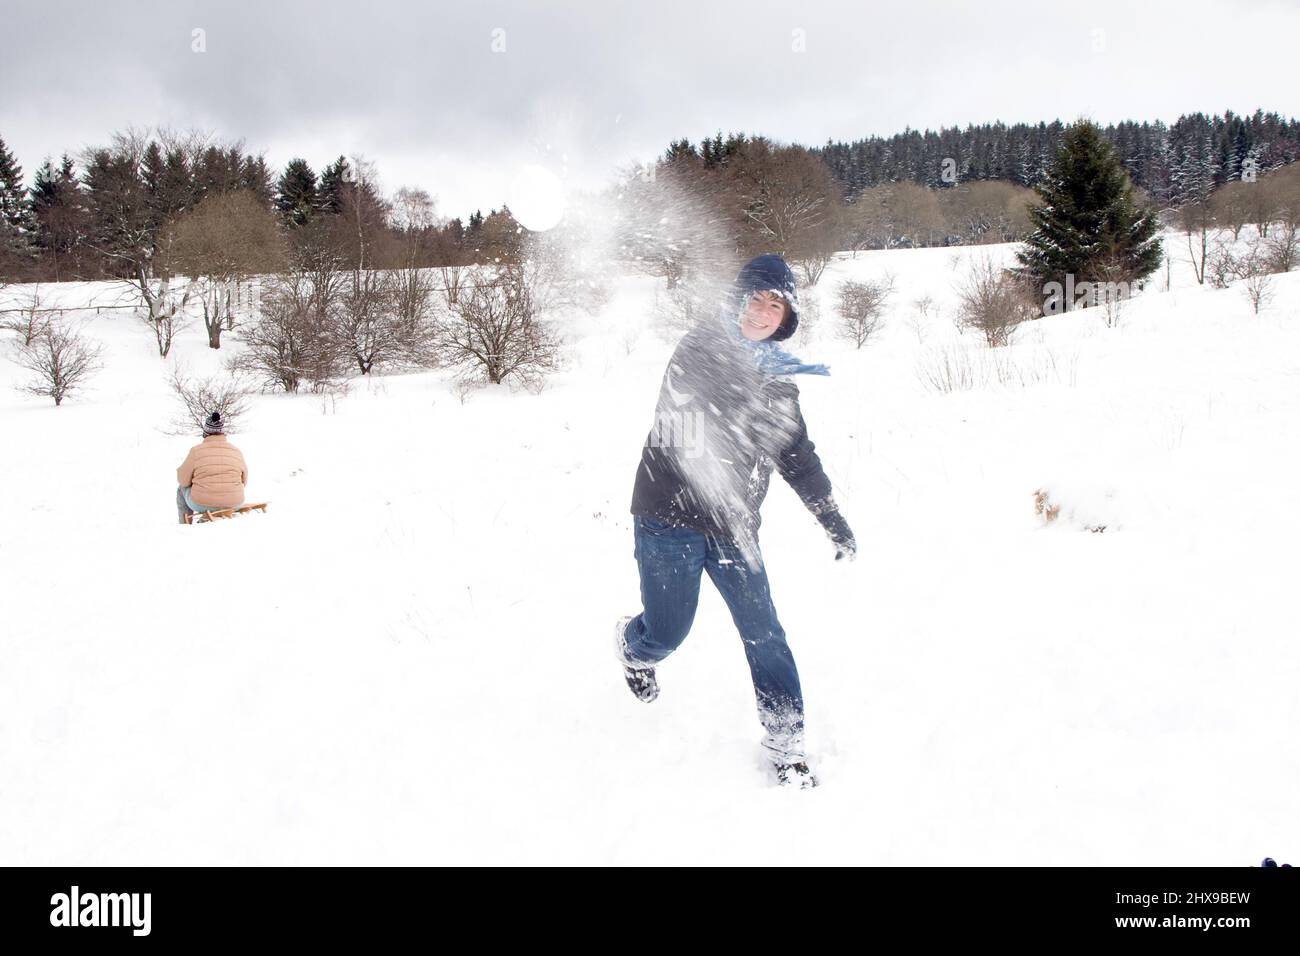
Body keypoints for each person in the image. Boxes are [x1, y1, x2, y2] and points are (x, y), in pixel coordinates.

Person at [614, 253, 856, 788]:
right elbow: (685, 414)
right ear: (738, 298)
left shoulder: (781, 382)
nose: (764, 311)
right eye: (757, 298)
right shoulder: (700, 346)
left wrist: (828, 512)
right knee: (667, 632)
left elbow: (796, 453)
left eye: (777, 304)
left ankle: (787, 746)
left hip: (733, 527)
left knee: (765, 634)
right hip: (668, 518)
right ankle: (633, 649)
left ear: (785, 318)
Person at [176, 411, 248, 524]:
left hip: (202, 503)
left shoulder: (196, 451)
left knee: (181, 489)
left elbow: (183, 480)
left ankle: (185, 526)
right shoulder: (236, 451)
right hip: (235, 502)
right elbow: (244, 480)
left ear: (206, 432)